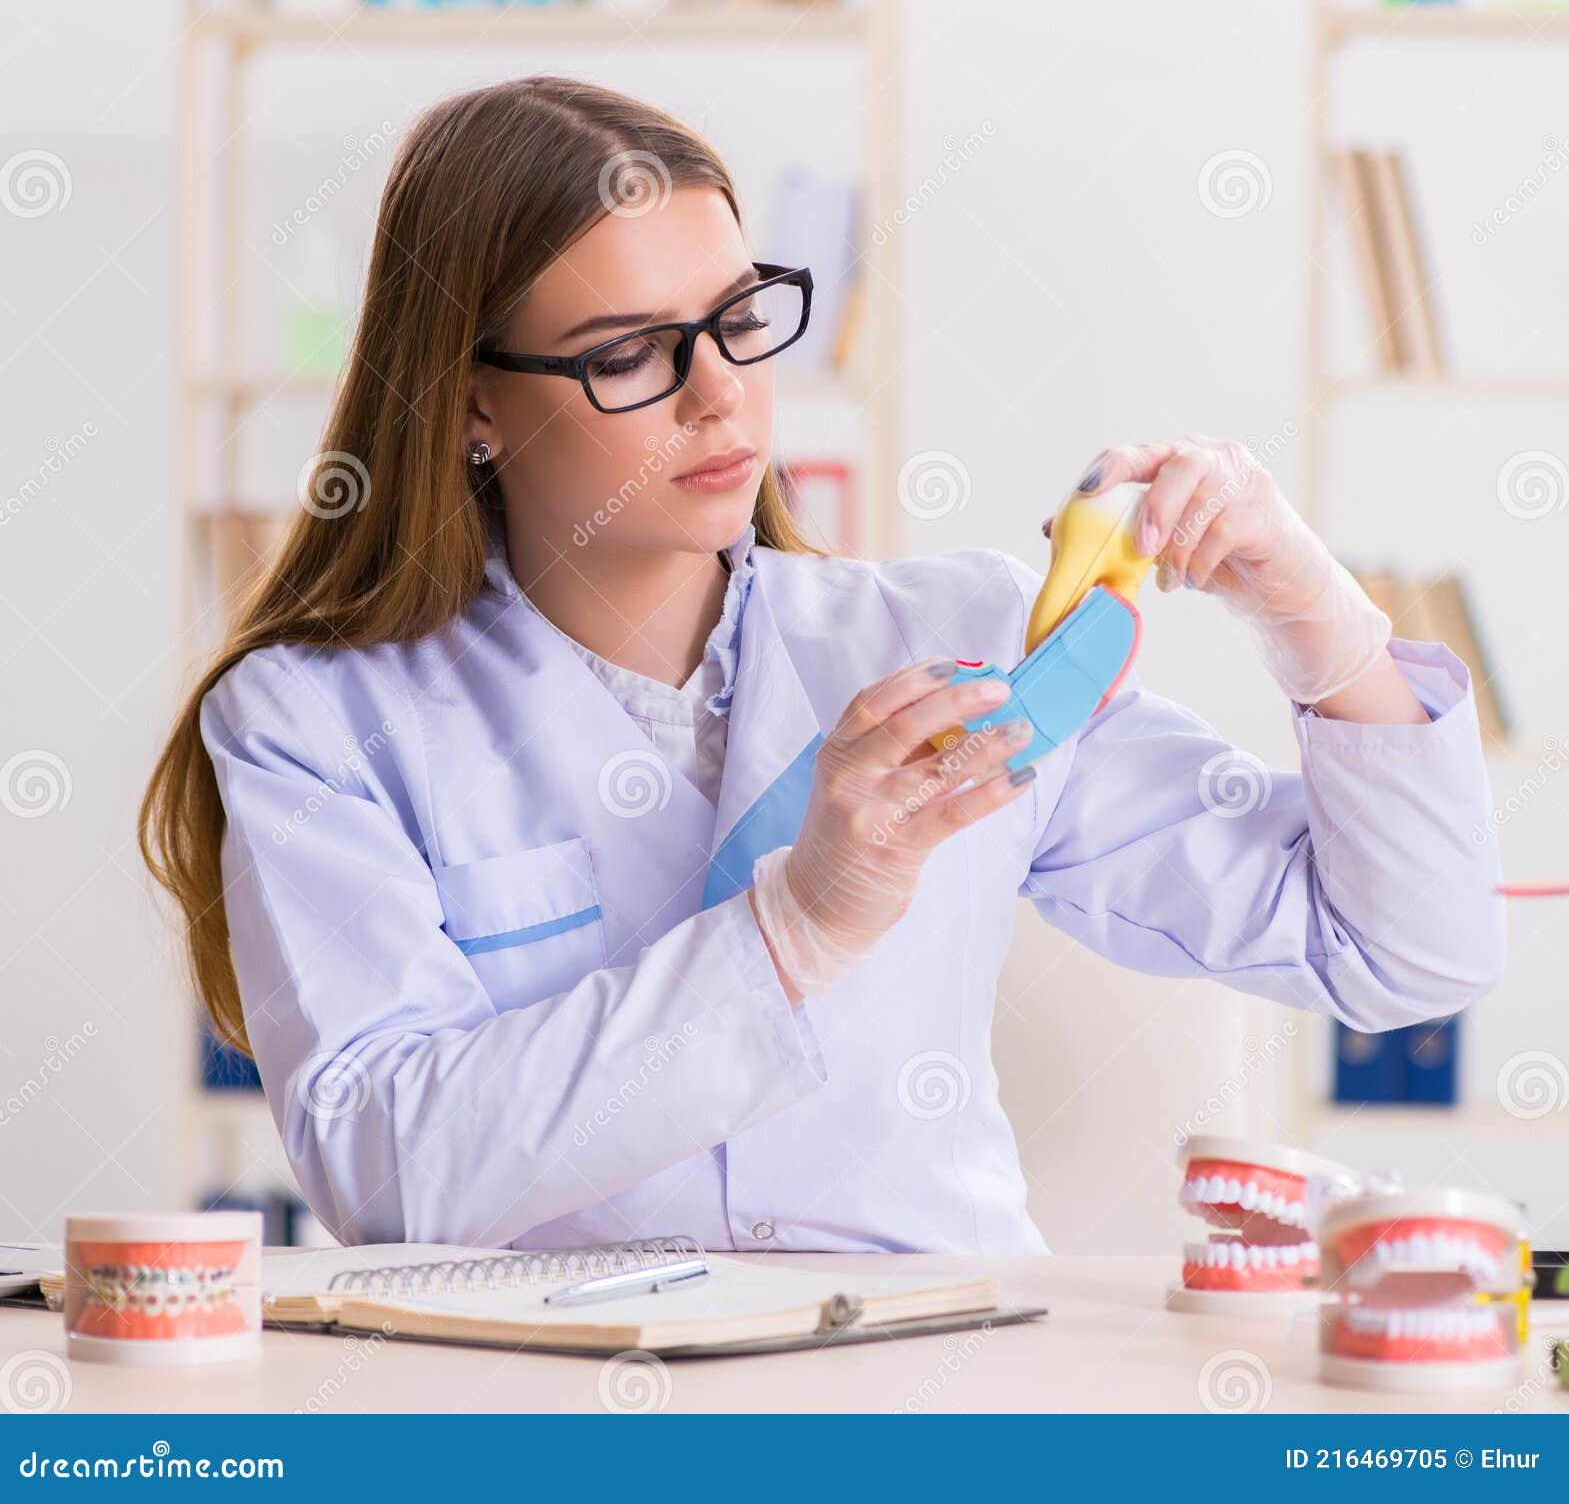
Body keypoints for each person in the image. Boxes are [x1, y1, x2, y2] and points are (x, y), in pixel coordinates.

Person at [140, 77, 1502, 1253]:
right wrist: (792, 930)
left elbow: (1400, 950)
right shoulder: (314, 719)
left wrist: (1315, 617)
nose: (718, 391)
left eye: (738, 317)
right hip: (558, 1393)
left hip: (935, 1383)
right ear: (472, 402)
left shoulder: (960, 642)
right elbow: (388, 1167)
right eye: (628, 353)